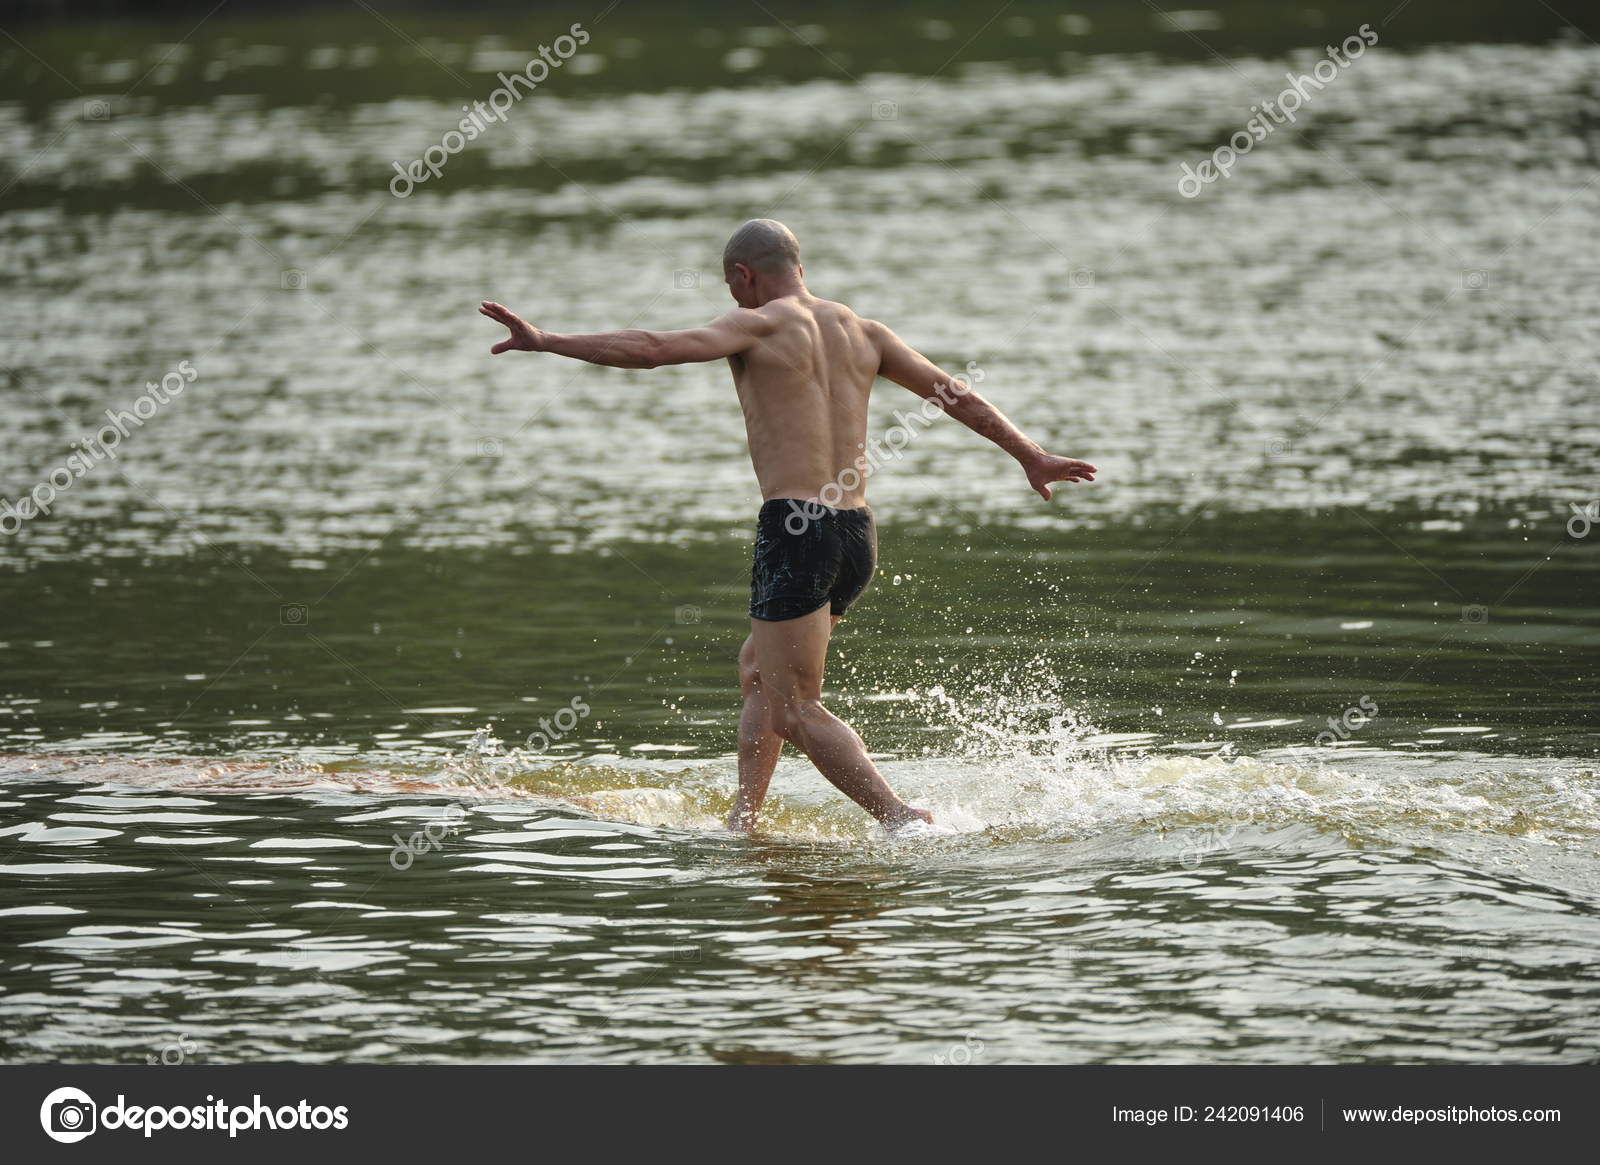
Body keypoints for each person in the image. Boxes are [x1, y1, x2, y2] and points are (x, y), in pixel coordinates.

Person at [478, 219, 1096, 832]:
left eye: (731, 285)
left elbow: (652, 349)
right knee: (758, 672)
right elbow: (953, 394)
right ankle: (744, 819)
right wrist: (1031, 455)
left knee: (796, 708)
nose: (731, 298)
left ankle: (899, 817)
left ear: (743, 275)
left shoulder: (758, 323)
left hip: (798, 529)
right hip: (856, 532)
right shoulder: (865, 330)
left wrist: (548, 340)